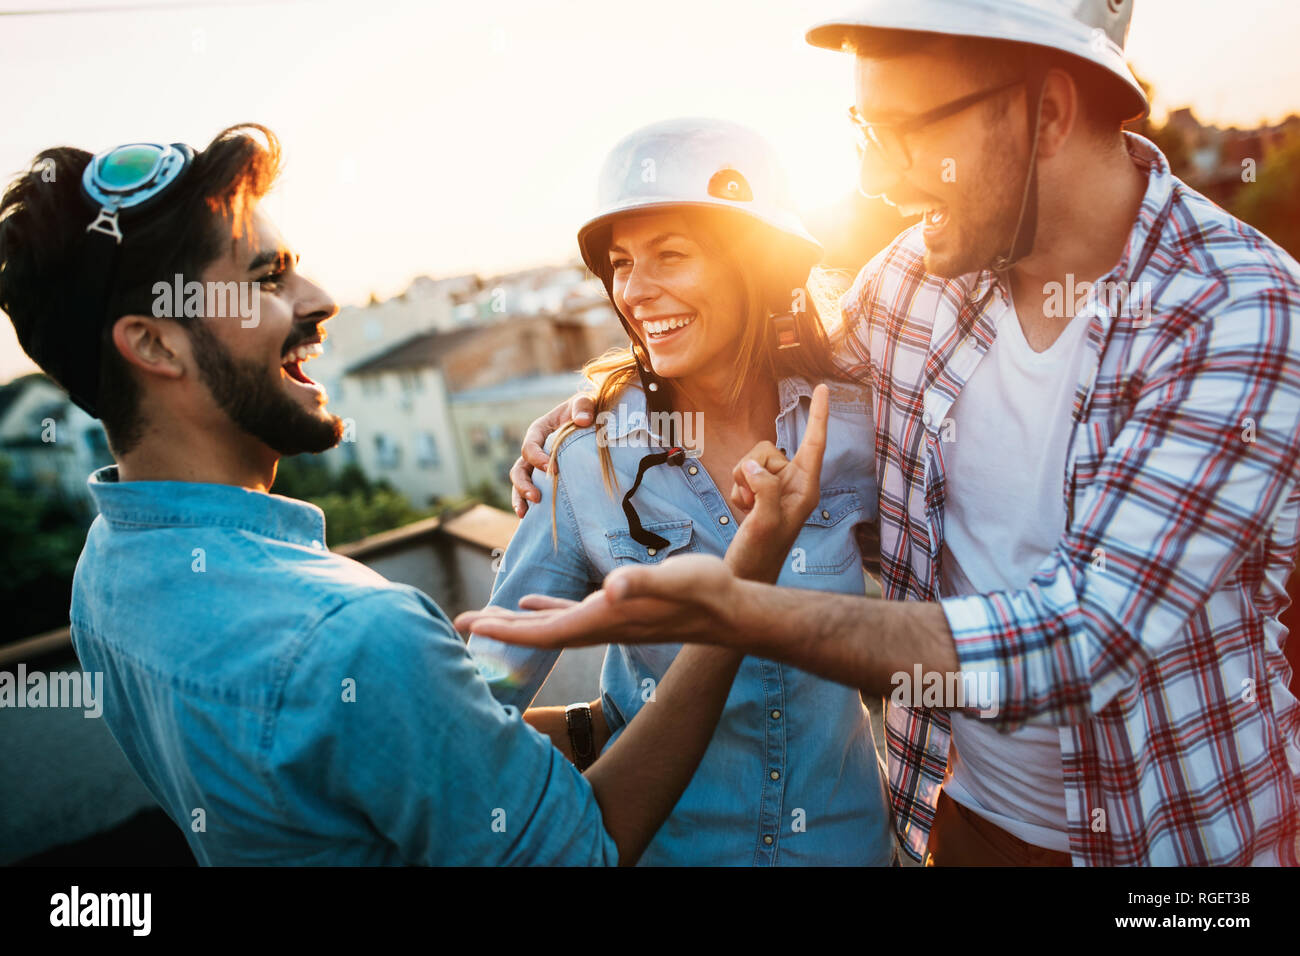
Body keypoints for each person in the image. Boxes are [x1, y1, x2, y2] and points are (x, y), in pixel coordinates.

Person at [479, 0, 1300, 866]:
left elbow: (1086, 643)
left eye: (905, 130)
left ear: (1048, 112)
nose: (877, 177)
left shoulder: (1236, 308)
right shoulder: (912, 287)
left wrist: (742, 609)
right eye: (862, 130)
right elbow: (761, 358)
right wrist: (594, 415)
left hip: (1181, 843)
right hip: (953, 824)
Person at [0, 124, 820, 866]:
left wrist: (591, 720)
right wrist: (735, 592)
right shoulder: (358, 636)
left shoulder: (105, 579)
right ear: (152, 343)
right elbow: (586, 848)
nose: (321, 302)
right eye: (269, 278)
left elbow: (398, 737)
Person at [467, 117, 894, 865]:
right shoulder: (586, 464)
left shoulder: (854, 427)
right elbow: (475, 704)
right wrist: (590, 738)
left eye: (671, 255)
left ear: (755, 266)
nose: (635, 289)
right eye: (623, 262)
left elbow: (947, 615)